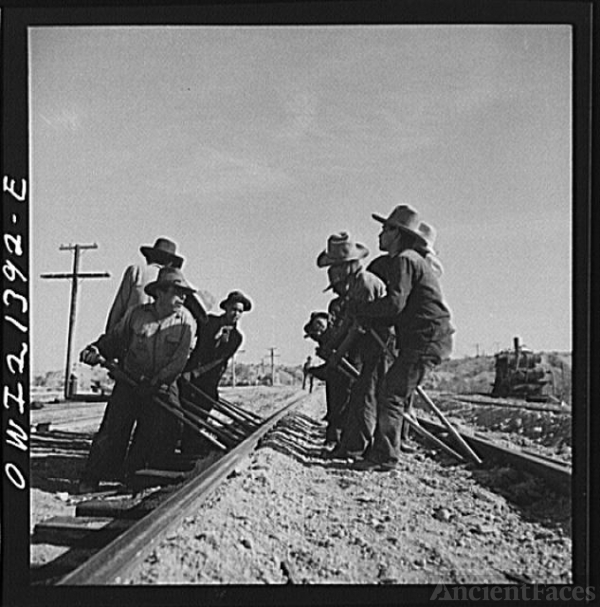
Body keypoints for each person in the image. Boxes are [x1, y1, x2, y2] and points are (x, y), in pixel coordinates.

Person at [352, 205, 454, 471]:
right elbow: (398, 308)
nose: (380, 235)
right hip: (425, 338)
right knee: (391, 391)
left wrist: (363, 311)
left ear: (397, 234)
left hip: (427, 339)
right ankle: (382, 453)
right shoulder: (410, 259)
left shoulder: (405, 260)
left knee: (391, 393)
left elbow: (395, 304)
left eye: (385, 229)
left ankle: (384, 458)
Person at [77, 267, 197, 493]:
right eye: (178, 291)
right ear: (160, 292)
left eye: (185, 294)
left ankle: (136, 477)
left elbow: (178, 362)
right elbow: (114, 339)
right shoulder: (136, 314)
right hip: (129, 378)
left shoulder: (186, 322)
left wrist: (155, 382)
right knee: (114, 428)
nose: (183, 297)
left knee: (164, 427)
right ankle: (92, 477)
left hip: (161, 383)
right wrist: (95, 349)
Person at [316, 232, 391, 455]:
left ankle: (357, 449)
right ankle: (352, 445)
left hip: (380, 347)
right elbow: (347, 324)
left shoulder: (365, 285)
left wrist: (337, 355)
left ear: (347, 266)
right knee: (359, 395)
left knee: (366, 396)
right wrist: (331, 347)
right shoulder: (355, 287)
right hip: (369, 347)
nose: (333, 274)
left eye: (335, 268)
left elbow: (356, 328)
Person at [178, 290, 252, 454]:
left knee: (201, 412)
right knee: (181, 411)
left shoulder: (236, 337)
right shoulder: (210, 322)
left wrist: (195, 374)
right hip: (188, 374)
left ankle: (189, 447)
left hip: (208, 380)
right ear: (226, 308)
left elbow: (218, 360)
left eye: (240, 311)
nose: (236, 314)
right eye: (233, 309)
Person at [105, 236, 207, 335]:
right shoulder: (179, 283)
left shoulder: (137, 271)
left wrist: (108, 337)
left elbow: (118, 309)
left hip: (131, 334)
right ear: (171, 263)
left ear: (150, 257)